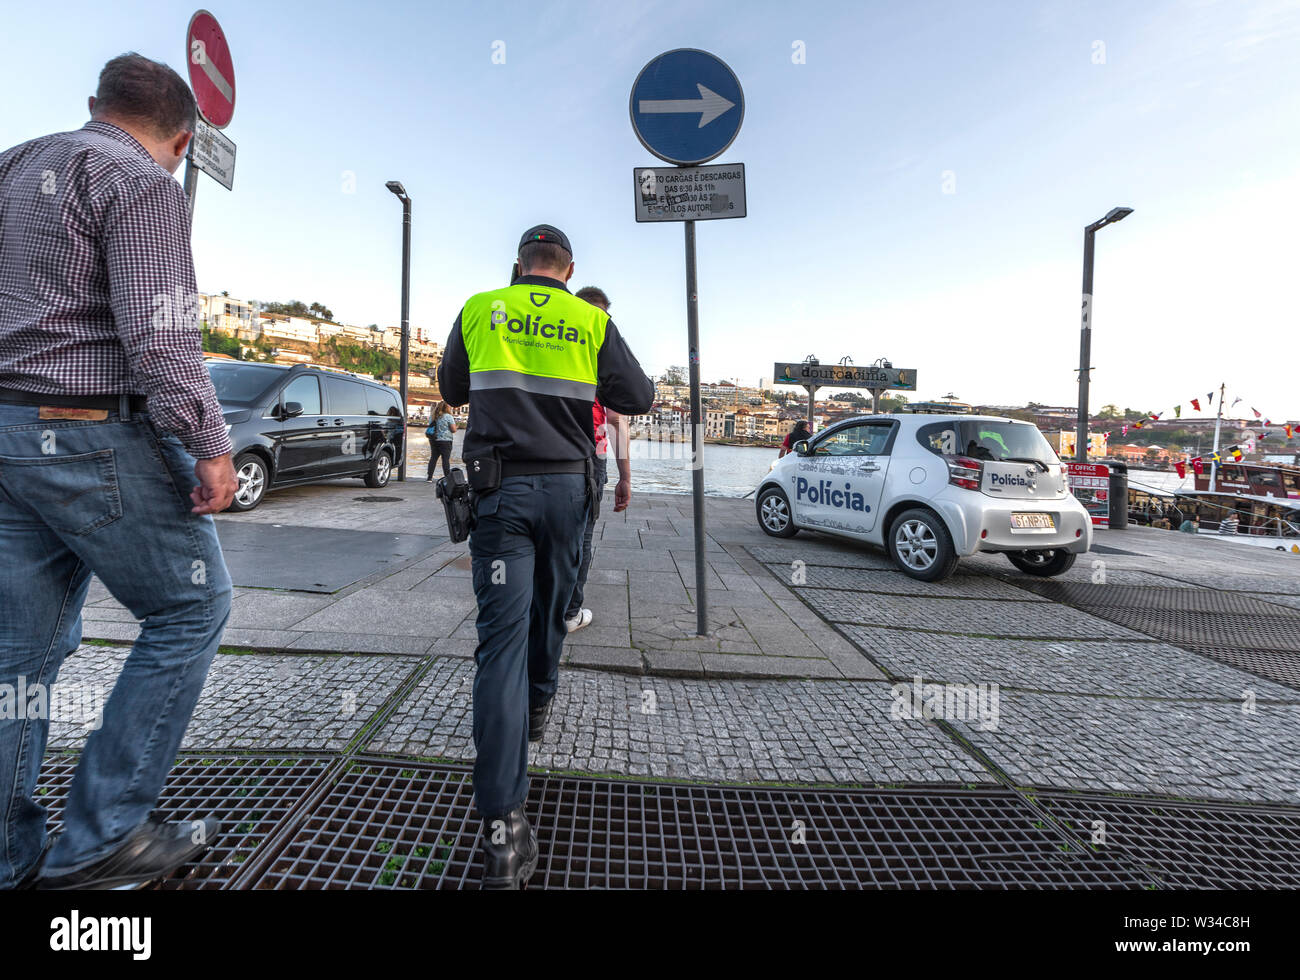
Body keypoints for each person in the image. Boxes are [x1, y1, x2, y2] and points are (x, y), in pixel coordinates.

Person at [0, 53, 238, 890]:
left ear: (94, 104)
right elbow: (161, 336)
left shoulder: (17, 163)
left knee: (15, 655)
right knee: (192, 604)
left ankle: (8, 850)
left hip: (5, 431)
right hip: (84, 428)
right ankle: (105, 833)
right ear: (181, 138)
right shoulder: (140, 183)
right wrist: (211, 446)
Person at [437, 225, 652, 889]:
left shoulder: (480, 308)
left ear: (518, 266)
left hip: (500, 495)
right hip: (566, 493)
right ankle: (540, 701)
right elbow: (638, 397)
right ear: (568, 268)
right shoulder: (588, 319)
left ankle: (502, 830)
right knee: (555, 610)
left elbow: (451, 387)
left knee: (498, 645)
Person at [564, 286, 632, 633]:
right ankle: (569, 612)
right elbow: (618, 421)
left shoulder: (556, 346)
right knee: (582, 537)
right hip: (590, 458)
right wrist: (626, 477)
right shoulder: (604, 361)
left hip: (544, 452)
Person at [425, 401, 456, 482]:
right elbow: (453, 430)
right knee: (445, 459)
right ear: (447, 408)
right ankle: (447, 479)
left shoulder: (433, 416)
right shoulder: (448, 417)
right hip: (445, 441)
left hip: (433, 440)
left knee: (433, 458)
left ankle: (429, 478)